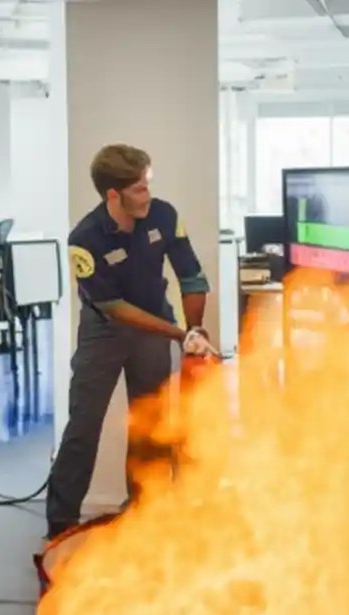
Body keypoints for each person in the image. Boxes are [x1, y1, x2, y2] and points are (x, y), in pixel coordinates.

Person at [44, 144, 216, 540]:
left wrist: (195, 327)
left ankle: (147, 509)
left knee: (151, 422)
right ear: (113, 196)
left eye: (147, 185)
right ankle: (61, 522)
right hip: (105, 330)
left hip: (156, 323)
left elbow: (191, 276)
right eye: (139, 189)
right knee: (84, 425)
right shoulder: (84, 240)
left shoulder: (163, 215)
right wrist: (178, 333)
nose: (147, 196)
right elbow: (116, 308)